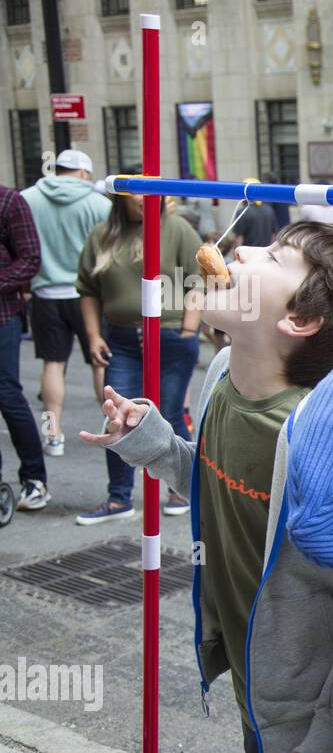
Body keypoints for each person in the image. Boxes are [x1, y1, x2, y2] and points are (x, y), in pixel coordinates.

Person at [82, 221, 333, 753]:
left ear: (302, 320)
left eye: (274, 255)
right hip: (256, 684)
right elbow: (211, 483)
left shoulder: (326, 435)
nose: (241, 249)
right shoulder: (225, 375)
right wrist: (149, 441)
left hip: (308, 717)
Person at [75, 177, 203, 523]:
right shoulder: (103, 234)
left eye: (153, 193)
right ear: (121, 196)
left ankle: (182, 489)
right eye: (137, 192)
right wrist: (93, 336)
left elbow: (197, 277)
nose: (147, 199)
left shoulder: (176, 228)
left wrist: (190, 328)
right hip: (121, 337)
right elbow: (88, 288)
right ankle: (119, 497)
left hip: (170, 334)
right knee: (117, 415)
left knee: (172, 413)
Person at [20, 149, 111, 458]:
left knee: (52, 365)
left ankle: (53, 435)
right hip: (89, 294)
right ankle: (110, 427)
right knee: (100, 362)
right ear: (84, 172)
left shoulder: (29, 198)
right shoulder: (98, 203)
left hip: (45, 293)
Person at [0, 180, 48, 512]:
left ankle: (34, 478)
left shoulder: (9, 201)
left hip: (2, 315)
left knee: (6, 393)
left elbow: (31, 259)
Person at [231, 179, 280, 249]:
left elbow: (239, 238)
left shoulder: (242, 212)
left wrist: (237, 256)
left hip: (248, 255)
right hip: (264, 254)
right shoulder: (269, 210)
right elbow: (274, 236)